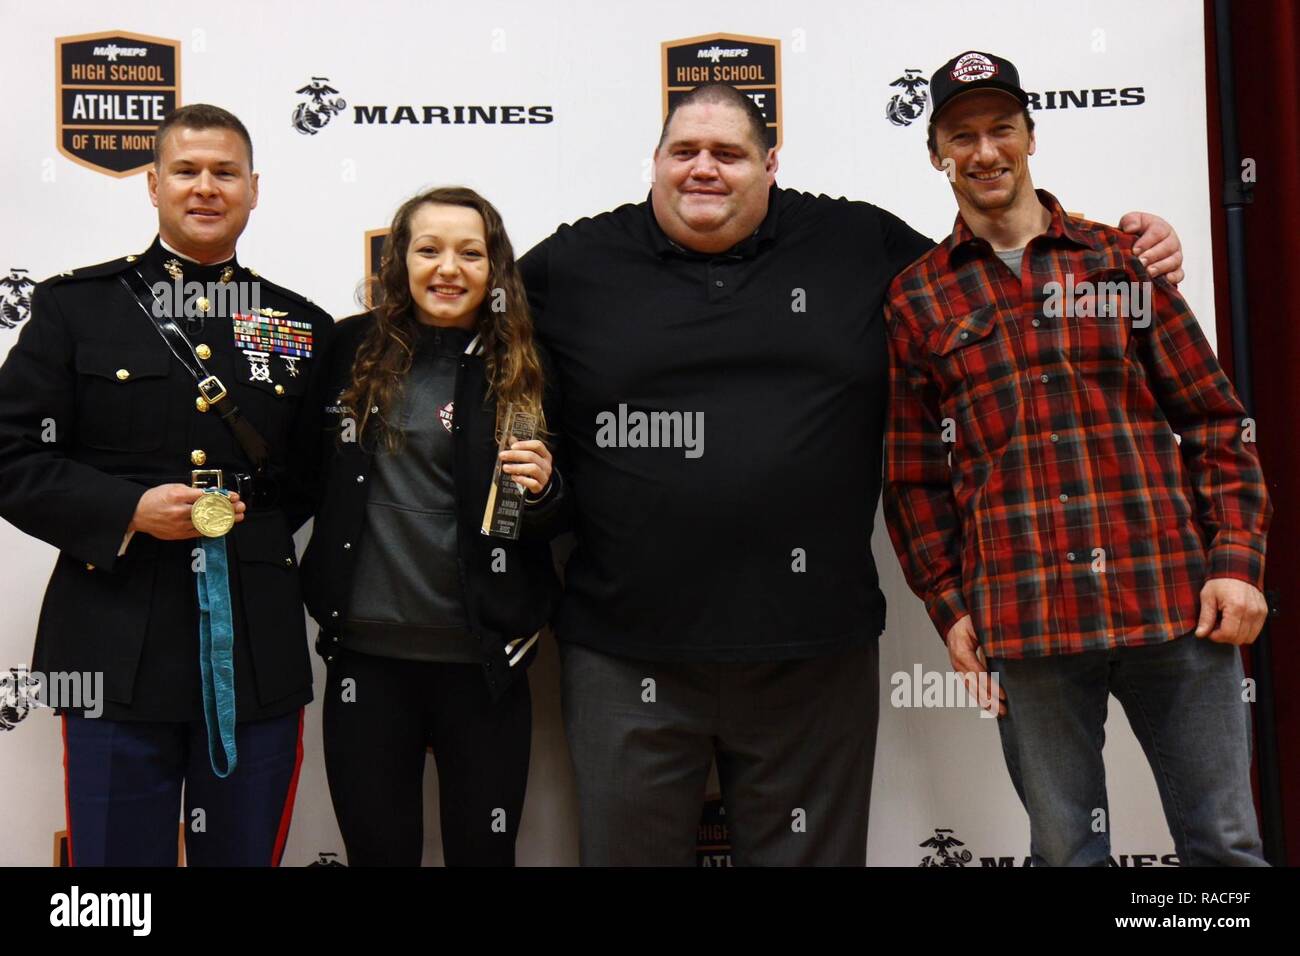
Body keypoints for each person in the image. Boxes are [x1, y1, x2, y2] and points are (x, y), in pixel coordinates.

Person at [518, 81, 1185, 865]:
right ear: (655, 163)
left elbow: (994, 274)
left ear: (771, 165)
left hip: (814, 652)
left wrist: (1130, 251)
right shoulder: (575, 263)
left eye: (728, 153)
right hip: (623, 654)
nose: (704, 168)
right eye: (683, 152)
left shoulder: (855, 242)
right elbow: (461, 323)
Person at [883, 51, 1270, 866]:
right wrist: (949, 606)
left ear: (1030, 135)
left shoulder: (1121, 260)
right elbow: (915, 478)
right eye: (962, 136)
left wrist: (1236, 560)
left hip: (1175, 604)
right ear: (936, 155)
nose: (984, 152)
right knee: (1065, 854)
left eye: (1000, 129)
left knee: (1225, 847)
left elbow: (1214, 422)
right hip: (1026, 621)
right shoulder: (917, 297)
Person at [0, 104, 334, 865]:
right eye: (186, 171)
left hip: (255, 649)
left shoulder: (301, 325)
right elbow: (9, 454)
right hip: (114, 647)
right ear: (152, 185)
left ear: (255, 189)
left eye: (226, 172)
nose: (206, 187)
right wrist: (128, 510)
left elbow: (312, 480)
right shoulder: (76, 309)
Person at [300, 187, 566, 866]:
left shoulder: (530, 364)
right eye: (429, 249)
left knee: (484, 855)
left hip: (482, 668)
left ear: (495, 267)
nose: (449, 267)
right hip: (366, 663)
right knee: (378, 855)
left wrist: (545, 491)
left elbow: (568, 511)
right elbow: (305, 476)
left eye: (470, 252)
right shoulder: (348, 346)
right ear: (400, 262)